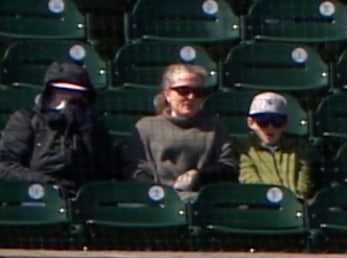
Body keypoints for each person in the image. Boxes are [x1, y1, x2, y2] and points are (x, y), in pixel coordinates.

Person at [0, 60, 118, 196]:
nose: (66, 98)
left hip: (82, 196)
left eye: (75, 94)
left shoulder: (93, 125)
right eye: (61, 91)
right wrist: (45, 184)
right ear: (49, 93)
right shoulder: (26, 119)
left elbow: (107, 171)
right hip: (37, 195)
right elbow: (5, 164)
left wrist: (86, 130)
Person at [122, 63, 237, 200]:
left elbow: (229, 167)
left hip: (203, 199)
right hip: (158, 200)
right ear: (168, 94)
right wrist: (161, 194)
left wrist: (199, 176)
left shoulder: (215, 127)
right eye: (183, 90)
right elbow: (135, 169)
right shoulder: (146, 127)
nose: (191, 97)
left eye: (198, 92)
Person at [237, 92, 313, 200]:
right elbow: (250, 181)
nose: (270, 127)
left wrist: (293, 200)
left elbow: (303, 183)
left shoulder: (299, 147)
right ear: (251, 123)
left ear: (285, 124)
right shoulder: (245, 148)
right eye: (263, 121)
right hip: (260, 204)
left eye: (277, 122)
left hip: (294, 203)